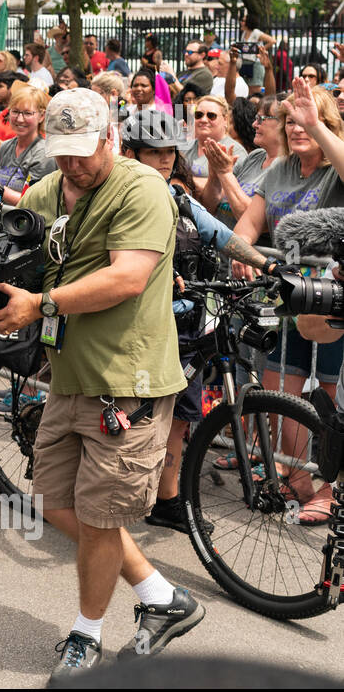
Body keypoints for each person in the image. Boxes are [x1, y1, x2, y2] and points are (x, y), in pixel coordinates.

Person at [0, 88, 203, 680]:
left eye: (84, 151)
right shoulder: (42, 192)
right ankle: (162, 597)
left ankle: (87, 636)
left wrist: (41, 303)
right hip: (68, 376)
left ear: (112, 138)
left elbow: (128, 277)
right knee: (55, 503)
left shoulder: (142, 188)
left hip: (127, 381)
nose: (73, 164)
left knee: (103, 519)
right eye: (62, 153)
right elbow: (23, 266)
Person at [118, 110, 272, 533]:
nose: (165, 159)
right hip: (139, 324)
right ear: (131, 154)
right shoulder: (118, 196)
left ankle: (166, 500)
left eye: (169, 151)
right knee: (134, 411)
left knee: (183, 413)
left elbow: (221, 236)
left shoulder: (179, 196)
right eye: (154, 152)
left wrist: (269, 267)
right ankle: (108, 497)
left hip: (186, 321)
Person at [233, 80, 344, 522]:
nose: (298, 127)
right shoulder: (277, 170)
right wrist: (247, 257)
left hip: (328, 301)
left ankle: (327, 487)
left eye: (308, 120)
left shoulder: (333, 166)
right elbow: (248, 226)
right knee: (283, 393)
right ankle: (299, 478)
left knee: (327, 396)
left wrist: (318, 127)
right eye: (292, 120)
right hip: (283, 297)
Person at [197, 92, 284, 227]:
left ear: (283, 123)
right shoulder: (255, 157)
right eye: (256, 118)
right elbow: (209, 206)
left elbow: (253, 222)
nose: (254, 124)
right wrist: (214, 176)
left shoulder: (288, 167)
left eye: (261, 119)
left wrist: (225, 174)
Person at [0, 82, 54, 206]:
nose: (20, 119)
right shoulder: (6, 146)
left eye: (27, 113)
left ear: (42, 116)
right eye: (15, 112)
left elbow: (35, 203)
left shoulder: (44, 154)